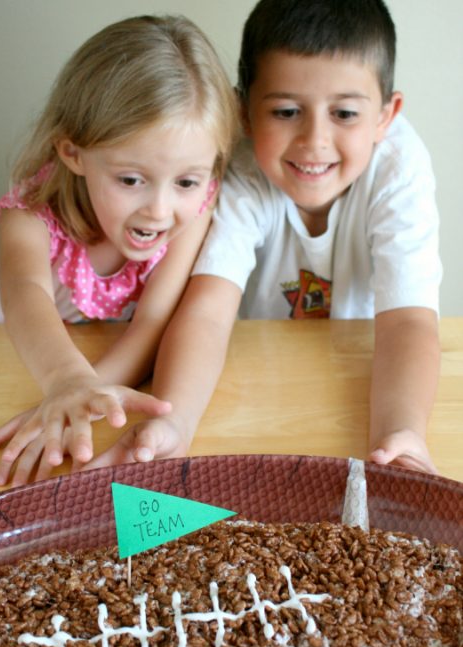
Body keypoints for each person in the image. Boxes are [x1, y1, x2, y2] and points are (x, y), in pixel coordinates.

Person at [90, 0, 442, 474]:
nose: (314, 141)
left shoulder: (400, 168)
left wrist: (401, 434)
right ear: (244, 113)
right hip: (260, 373)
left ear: (386, 115)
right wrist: (179, 419)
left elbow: (408, 323)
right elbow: (208, 312)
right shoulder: (241, 164)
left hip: (353, 362)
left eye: (344, 113)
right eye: (287, 111)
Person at [0, 14, 239, 486]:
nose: (160, 210)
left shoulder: (197, 206)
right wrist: (65, 382)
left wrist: (87, 395)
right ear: (73, 152)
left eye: (185, 181)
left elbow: (153, 324)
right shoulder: (30, 213)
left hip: (93, 400)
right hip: (21, 379)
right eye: (131, 180)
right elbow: (24, 295)